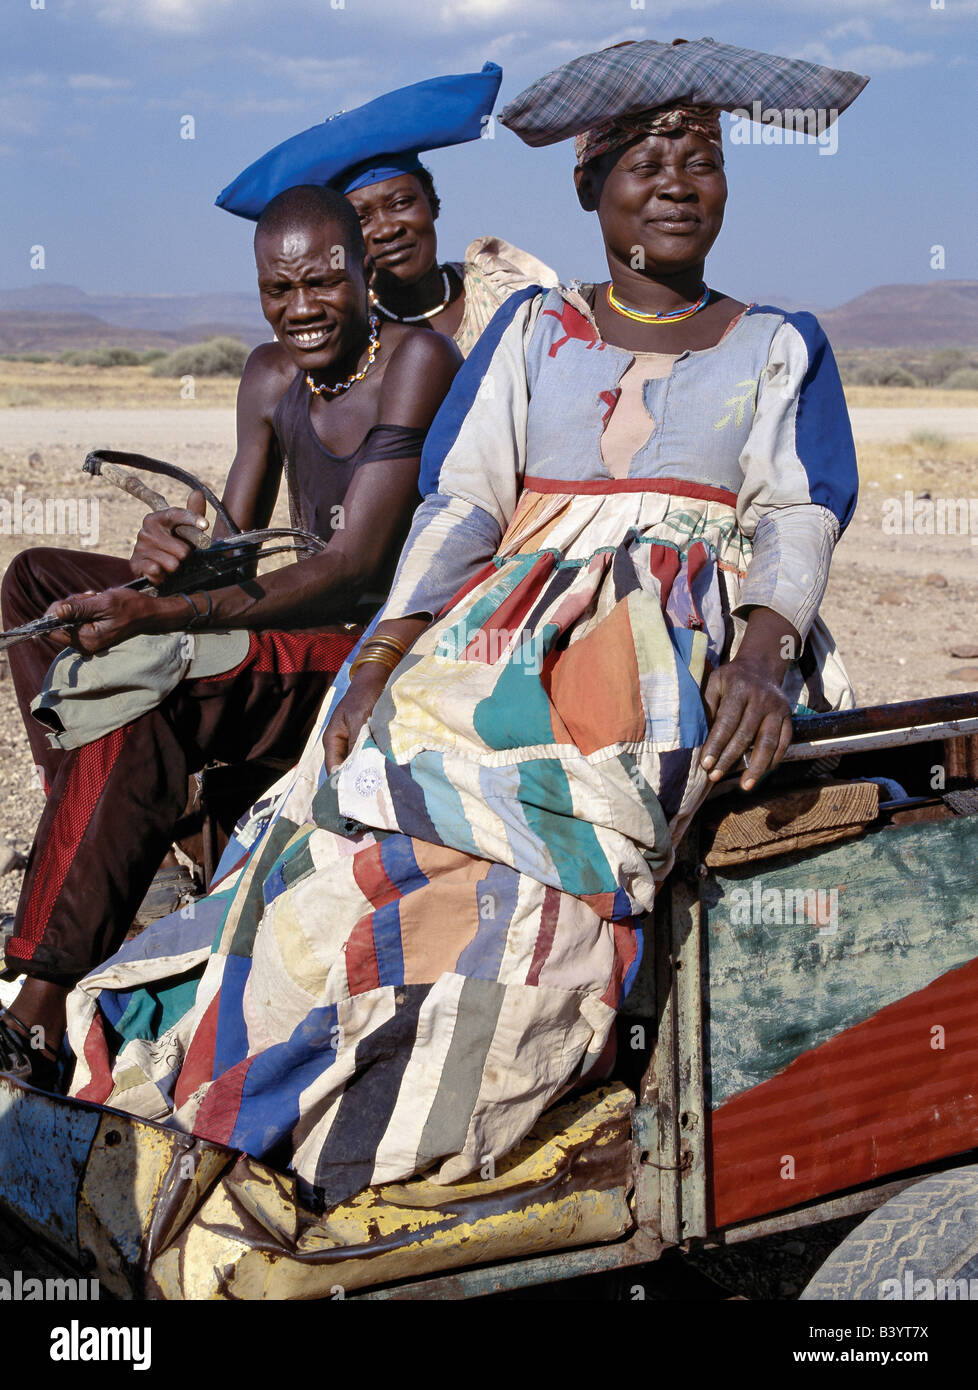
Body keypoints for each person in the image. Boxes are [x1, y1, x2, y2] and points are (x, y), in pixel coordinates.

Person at [65, 38, 865, 1210]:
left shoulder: (776, 344)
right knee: (351, 805)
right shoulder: (536, 332)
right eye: (646, 162)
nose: (679, 183)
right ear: (591, 188)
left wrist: (764, 642)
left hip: (681, 644)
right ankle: (273, 1058)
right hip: (505, 627)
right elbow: (464, 505)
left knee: (555, 843)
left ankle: (461, 1071)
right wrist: (390, 643)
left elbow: (797, 509)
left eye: (701, 159)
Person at [0, 183, 461, 1087]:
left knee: (144, 668)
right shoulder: (269, 375)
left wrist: (166, 613)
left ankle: (40, 1005)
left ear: (364, 271)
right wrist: (168, 555)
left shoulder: (419, 361)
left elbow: (353, 566)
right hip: (269, 614)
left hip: (364, 646)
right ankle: (108, 826)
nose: (300, 310)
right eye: (277, 290)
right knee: (37, 585)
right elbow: (232, 543)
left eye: (322, 284)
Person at [216, 62, 558, 357]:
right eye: (360, 218)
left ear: (432, 202)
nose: (386, 229)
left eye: (400, 204)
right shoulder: (330, 327)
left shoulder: (504, 297)